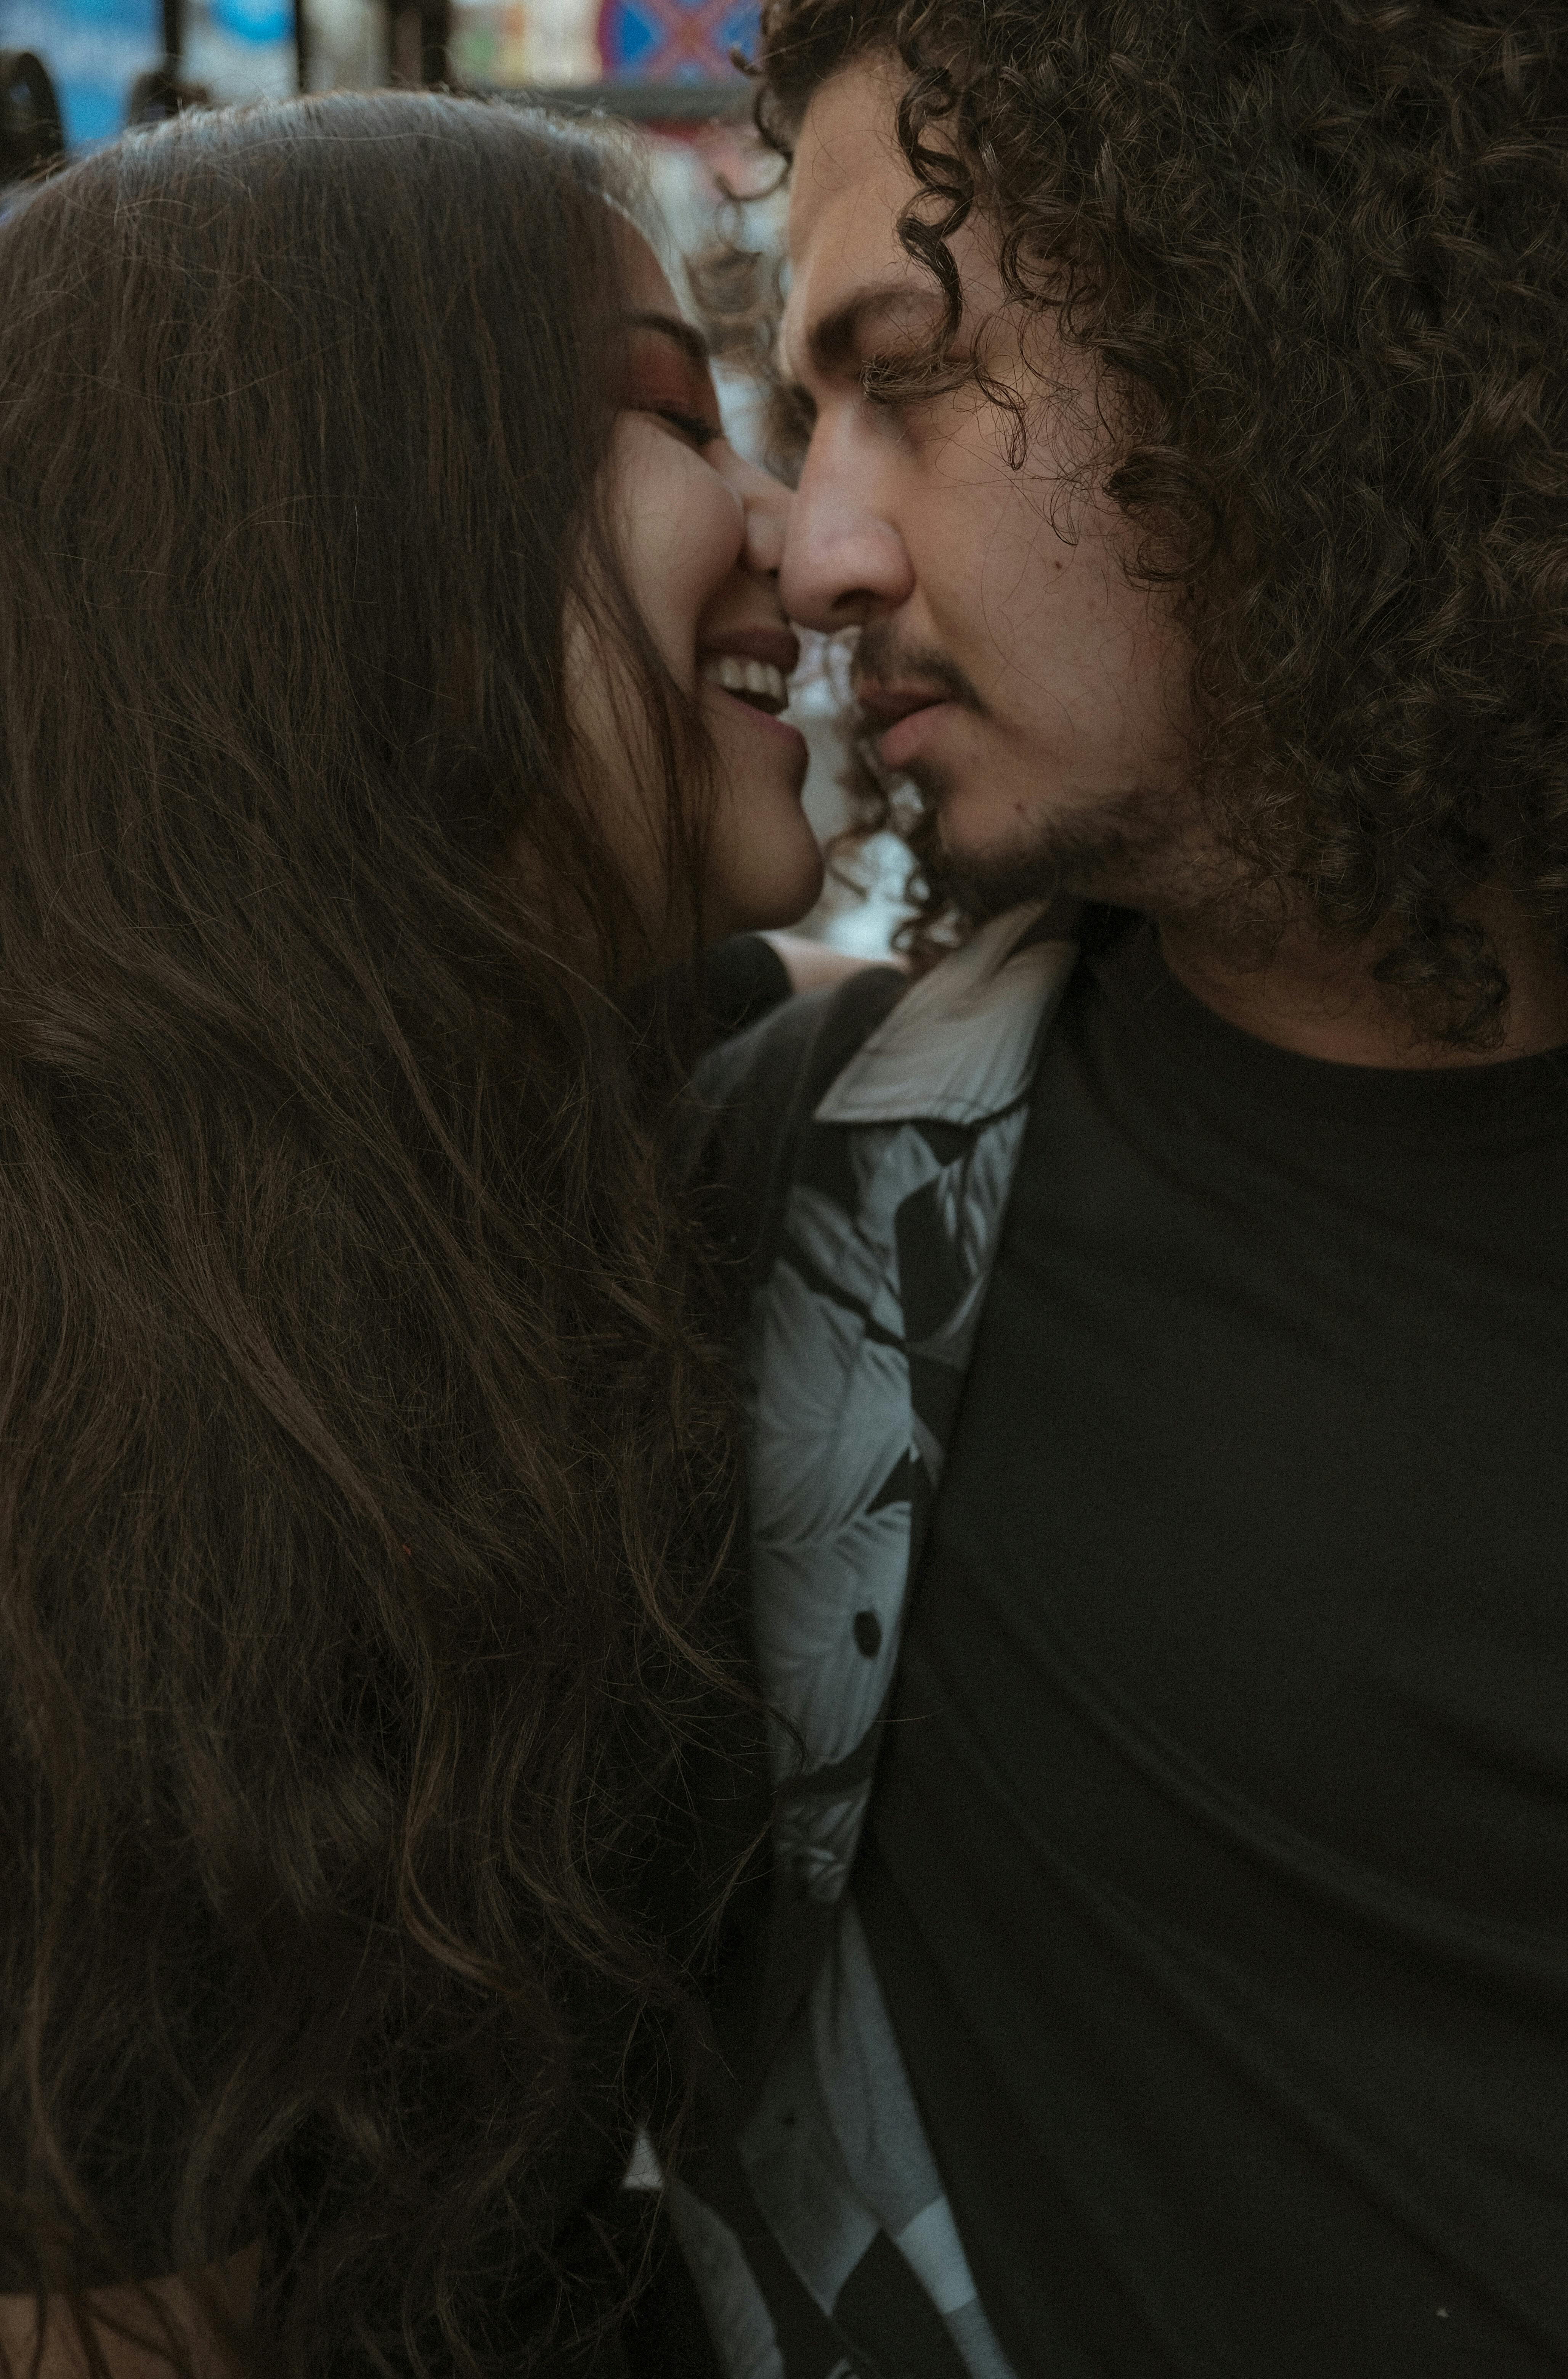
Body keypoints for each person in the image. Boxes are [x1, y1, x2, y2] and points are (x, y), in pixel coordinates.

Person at [647, 4, 1568, 2375]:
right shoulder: (807, 1199)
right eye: (790, 416)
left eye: (914, 375)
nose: (829, 547)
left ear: (1290, 332)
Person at [0, 89, 829, 2379]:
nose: (803, 528)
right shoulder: (83, 1436)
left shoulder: (596, 1061)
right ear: (343, 529)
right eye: (670, 416)